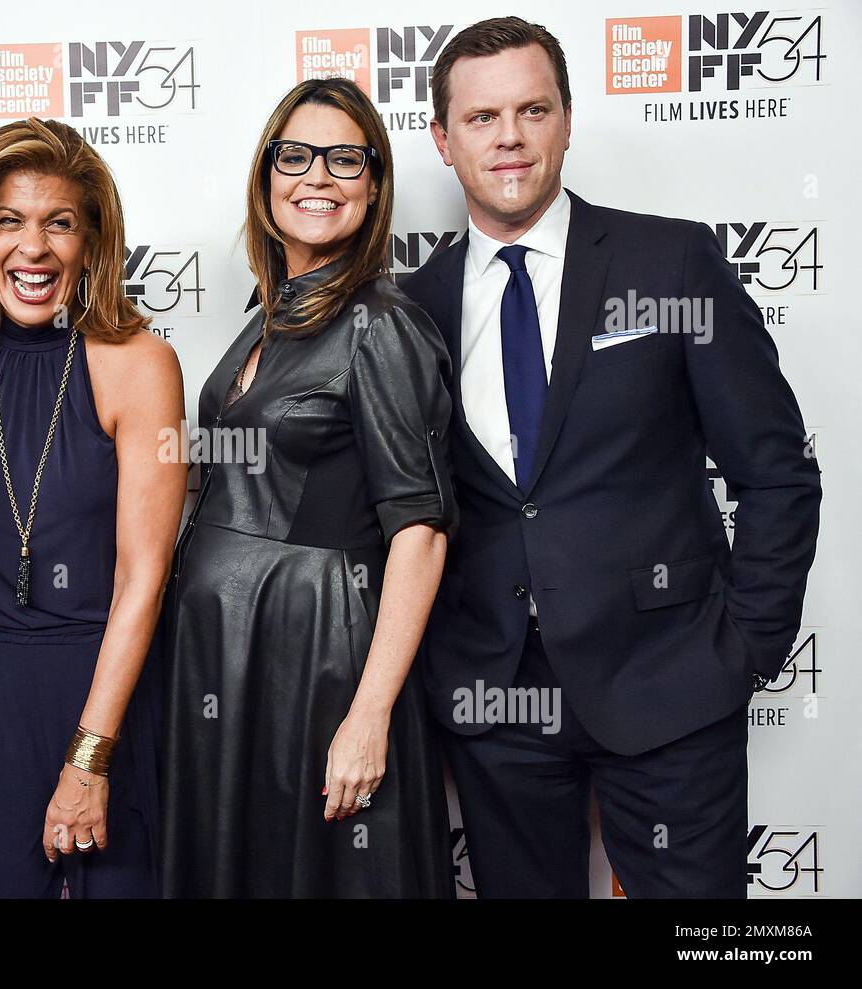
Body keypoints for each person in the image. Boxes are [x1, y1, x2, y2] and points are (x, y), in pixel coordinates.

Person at [401, 16, 822, 898]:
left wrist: (745, 646)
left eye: (532, 109)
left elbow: (776, 467)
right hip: (496, 702)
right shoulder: (414, 306)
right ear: (443, 139)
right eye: (481, 118)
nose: (509, 136)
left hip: (671, 685)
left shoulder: (668, 261)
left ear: (566, 118)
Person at [161, 78, 458, 898]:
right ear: (265, 178)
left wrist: (367, 717)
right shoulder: (270, 313)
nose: (316, 176)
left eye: (344, 159)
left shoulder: (382, 324)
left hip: (318, 660)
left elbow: (420, 530)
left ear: (374, 185)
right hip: (230, 660)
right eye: (294, 156)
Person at [0, 118, 184, 897]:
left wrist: (90, 756)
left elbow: (144, 575)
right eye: (8, 221)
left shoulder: (138, 363)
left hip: (106, 687)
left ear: (92, 243)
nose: (32, 248)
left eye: (59, 223)